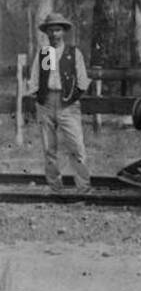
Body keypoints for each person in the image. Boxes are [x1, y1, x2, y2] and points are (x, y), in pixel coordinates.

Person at [26, 12, 91, 196]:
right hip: (47, 104)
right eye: (51, 30)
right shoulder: (45, 53)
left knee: (77, 147)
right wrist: (40, 99)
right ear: (46, 33)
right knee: (49, 148)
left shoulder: (73, 53)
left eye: (58, 30)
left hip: (68, 105)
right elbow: (35, 80)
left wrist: (71, 99)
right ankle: (55, 187)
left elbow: (82, 82)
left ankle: (83, 188)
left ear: (63, 32)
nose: (54, 34)